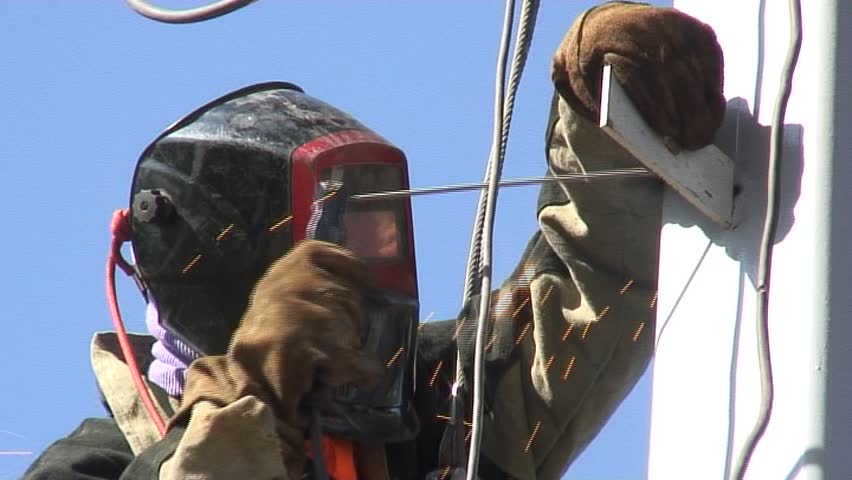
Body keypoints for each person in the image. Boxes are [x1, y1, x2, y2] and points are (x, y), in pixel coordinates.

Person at [23, 3, 725, 479]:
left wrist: (608, 125)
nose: (365, 278)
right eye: (336, 247)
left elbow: (594, 285)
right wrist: (251, 398)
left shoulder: (429, 400)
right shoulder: (90, 466)